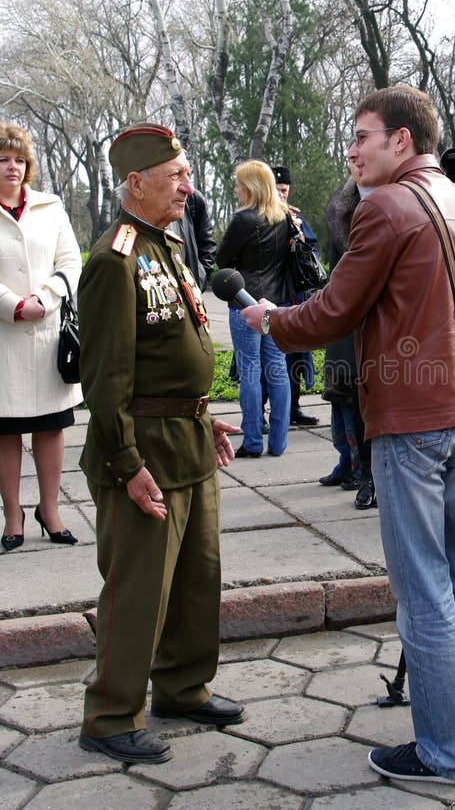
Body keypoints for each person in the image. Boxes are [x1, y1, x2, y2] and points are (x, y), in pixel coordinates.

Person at [241, 85, 455, 784]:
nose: (351, 149)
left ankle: (444, 753)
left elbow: (332, 313)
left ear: (401, 141)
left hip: (413, 424)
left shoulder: (385, 208)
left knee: (426, 590)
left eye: (362, 135)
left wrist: (272, 322)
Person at [77, 123, 243, 765]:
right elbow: (107, 378)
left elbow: (172, 354)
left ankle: (182, 687)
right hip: (142, 453)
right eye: (175, 177)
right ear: (136, 183)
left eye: (187, 173)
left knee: (198, 581)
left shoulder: (168, 246)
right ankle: (112, 714)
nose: (188, 185)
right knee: (138, 589)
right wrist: (125, 465)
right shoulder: (113, 259)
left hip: (190, 443)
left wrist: (202, 418)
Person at [0, 120, 82, 552]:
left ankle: (49, 509)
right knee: (6, 431)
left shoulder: (51, 207)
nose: (12, 167)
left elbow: (70, 262)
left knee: (50, 428)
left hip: (48, 333)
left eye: (19, 159)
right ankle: (12, 516)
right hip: (3, 340)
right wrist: (13, 304)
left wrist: (44, 299)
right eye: (2, 159)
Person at [216, 160, 291, 458]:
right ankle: (279, 442)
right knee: (278, 369)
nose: (235, 189)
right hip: (276, 303)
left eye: (238, 184)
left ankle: (252, 441)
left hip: (245, 302)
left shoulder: (244, 221)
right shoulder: (285, 216)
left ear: (251, 187)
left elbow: (222, 259)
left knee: (249, 370)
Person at [322, 161, 376, 508]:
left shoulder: (400, 201)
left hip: (392, 330)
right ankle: (361, 470)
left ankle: (366, 472)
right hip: (350, 319)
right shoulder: (342, 207)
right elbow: (333, 269)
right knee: (348, 396)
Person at [271, 164, 320, 428]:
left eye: (284, 190)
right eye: (277, 190)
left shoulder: (295, 215)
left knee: (297, 354)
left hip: (295, 293)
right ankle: (262, 411)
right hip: (269, 293)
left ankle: (294, 406)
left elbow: (310, 249)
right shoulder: (257, 215)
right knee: (268, 353)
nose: (281, 195)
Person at [169, 189, 216, 290]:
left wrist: (199, 279)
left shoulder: (193, 199)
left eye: (188, 174)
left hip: (189, 289)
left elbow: (207, 244)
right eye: (176, 174)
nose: (188, 187)